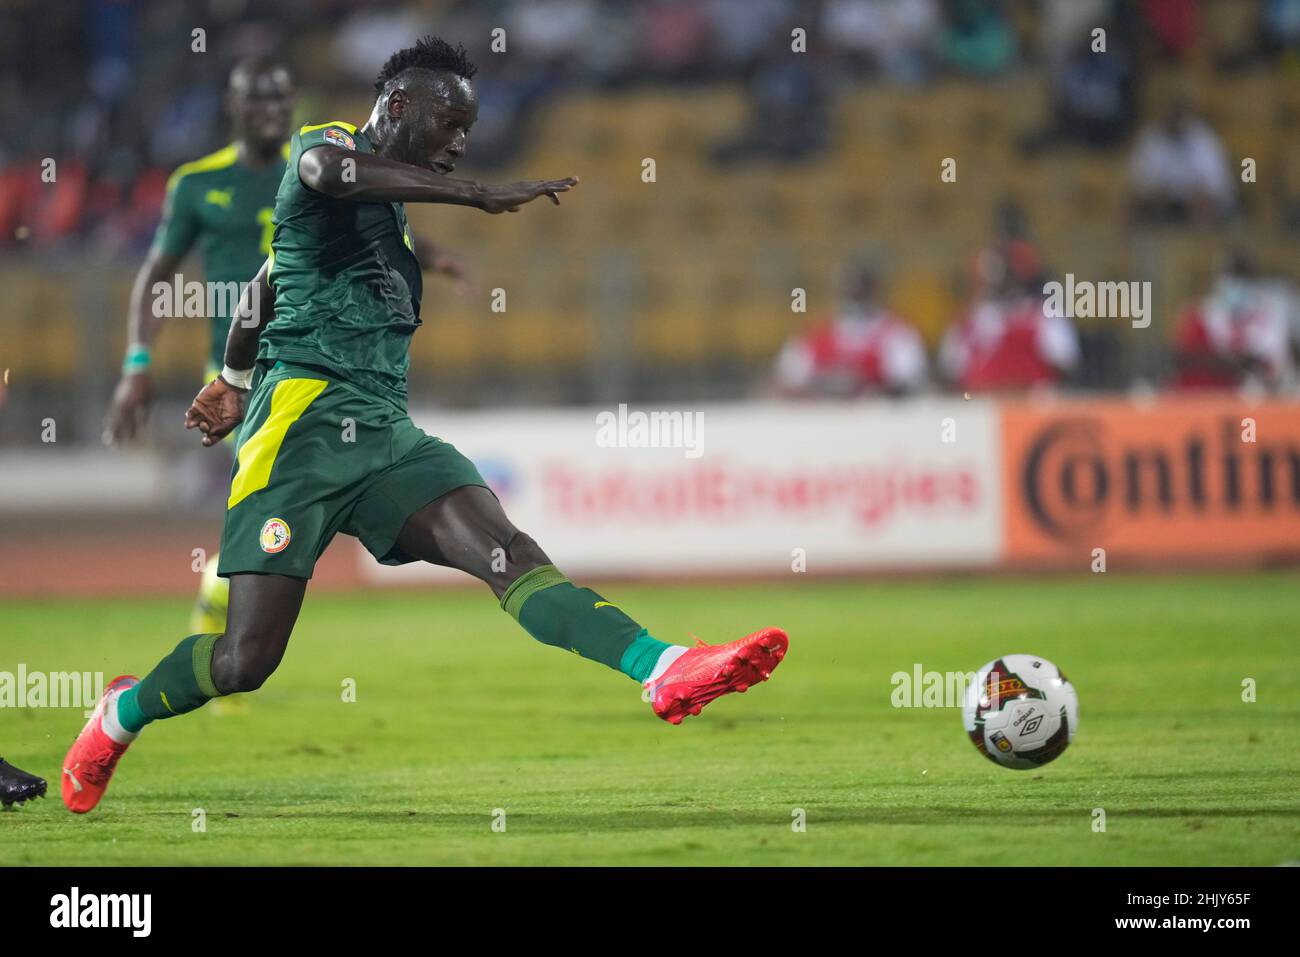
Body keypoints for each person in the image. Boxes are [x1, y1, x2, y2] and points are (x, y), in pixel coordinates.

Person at [62, 37, 788, 814]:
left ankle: (662, 665)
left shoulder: (386, 215)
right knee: (244, 661)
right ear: (398, 108)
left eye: (467, 130)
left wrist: (231, 375)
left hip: (384, 433)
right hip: (300, 429)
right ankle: (120, 713)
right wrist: (242, 384)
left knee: (509, 554)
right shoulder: (327, 147)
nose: (461, 141)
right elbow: (322, 178)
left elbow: (261, 289)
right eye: (450, 122)